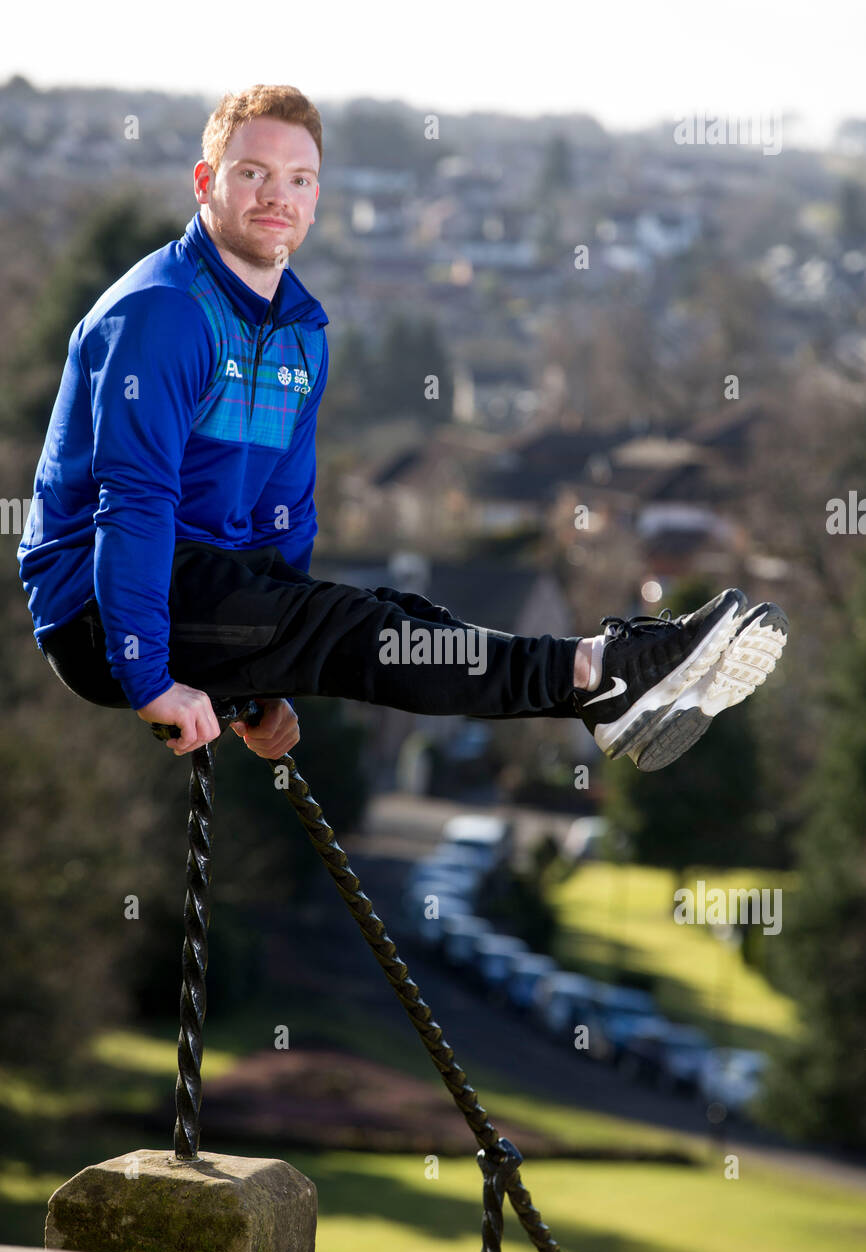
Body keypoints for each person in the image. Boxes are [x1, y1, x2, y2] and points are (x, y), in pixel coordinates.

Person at [17, 83, 788, 771]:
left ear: (317, 200)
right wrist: (149, 682)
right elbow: (135, 505)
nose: (274, 196)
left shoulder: (300, 331)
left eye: (299, 179)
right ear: (205, 184)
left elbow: (280, 525)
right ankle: (602, 668)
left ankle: (601, 689)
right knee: (356, 629)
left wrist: (266, 680)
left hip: (203, 589)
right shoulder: (163, 313)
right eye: (252, 173)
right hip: (98, 613)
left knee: (400, 621)